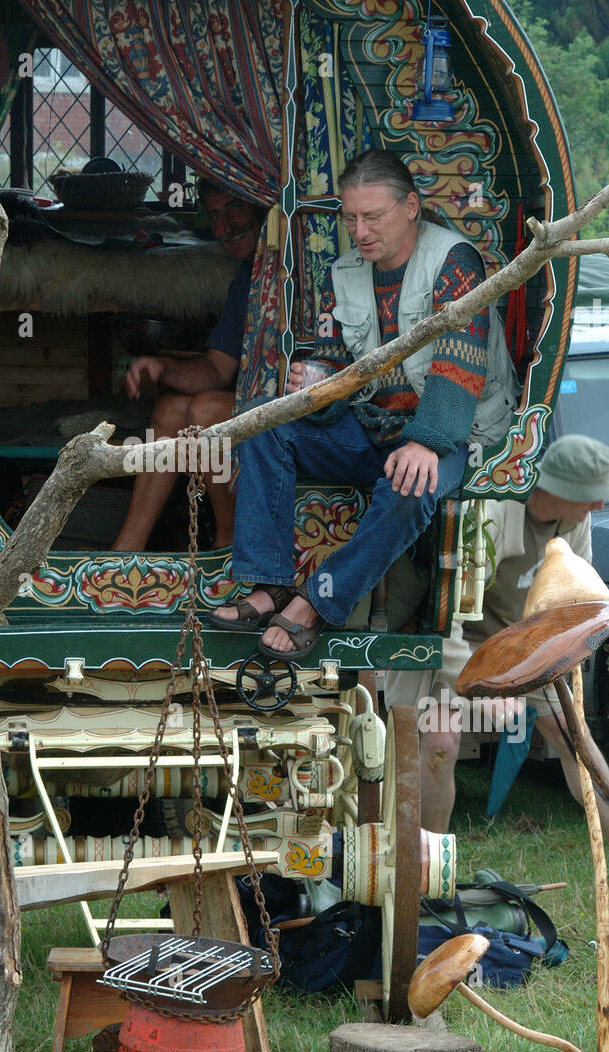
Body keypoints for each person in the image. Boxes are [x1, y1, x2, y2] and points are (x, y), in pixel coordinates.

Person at [210, 147, 519, 651]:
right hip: (376, 425)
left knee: (412, 482)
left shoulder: (455, 260)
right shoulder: (345, 272)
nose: (361, 230)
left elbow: (458, 367)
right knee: (262, 423)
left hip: (455, 432)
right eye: (351, 218)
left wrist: (428, 441)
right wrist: (316, 379)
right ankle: (268, 585)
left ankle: (316, 602)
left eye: (373, 217)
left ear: (410, 208)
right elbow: (336, 365)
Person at [384, 434, 609, 835]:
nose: (599, 505)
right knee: (439, 743)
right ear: (558, 488)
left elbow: (574, 603)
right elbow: (447, 619)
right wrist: (480, 687)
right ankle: (430, 870)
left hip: (524, 646)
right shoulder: (488, 510)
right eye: (591, 495)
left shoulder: (577, 522)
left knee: (578, 744)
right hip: (457, 648)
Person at [113, 181, 266, 551]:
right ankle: (125, 551)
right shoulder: (248, 276)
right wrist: (162, 368)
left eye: (236, 209)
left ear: (264, 208)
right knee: (170, 408)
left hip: (305, 413)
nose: (226, 225)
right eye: (215, 215)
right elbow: (217, 370)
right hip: (255, 404)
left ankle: (229, 545)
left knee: (206, 410)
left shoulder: (295, 267)